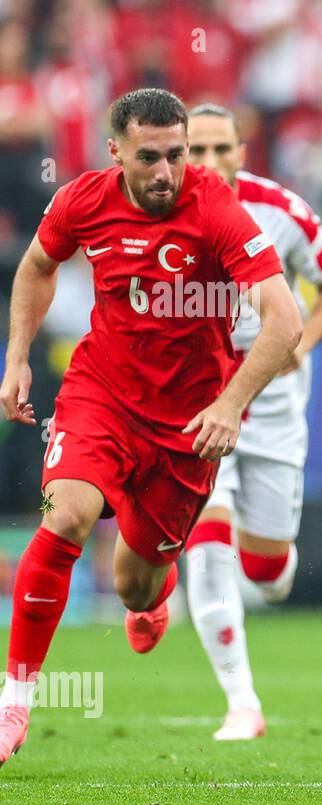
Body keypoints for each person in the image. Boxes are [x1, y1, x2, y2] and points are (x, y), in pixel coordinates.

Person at [0, 88, 302, 768]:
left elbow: (286, 320)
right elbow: (39, 265)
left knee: (139, 582)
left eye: (176, 155)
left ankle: (149, 599)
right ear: (116, 153)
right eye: (149, 158)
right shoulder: (83, 199)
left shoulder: (216, 209)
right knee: (67, 516)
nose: (167, 172)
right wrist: (18, 357)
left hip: (188, 426)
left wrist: (228, 406)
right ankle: (14, 698)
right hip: (100, 395)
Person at [183, 103, 322, 741]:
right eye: (193, 150)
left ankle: (266, 565)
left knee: (267, 574)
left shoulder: (281, 210)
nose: (206, 163)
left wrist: (301, 345)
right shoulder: (162, 210)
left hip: (276, 408)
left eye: (218, 148)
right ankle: (241, 703)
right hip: (198, 402)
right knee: (209, 543)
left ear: (240, 150)